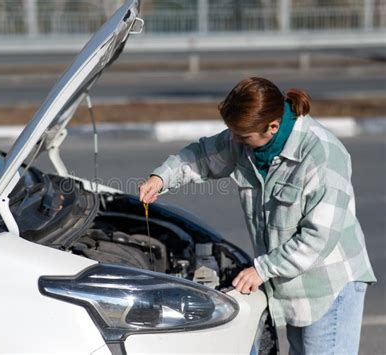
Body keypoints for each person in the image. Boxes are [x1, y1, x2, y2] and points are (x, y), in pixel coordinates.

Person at [138, 77, 376, 354]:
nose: (235, 141)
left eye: (242, 136)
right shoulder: (248, 139)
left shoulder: (323, 156)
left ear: (272, 127)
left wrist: (261, 270)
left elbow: (318, 238)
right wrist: (161, 178)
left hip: (328, 286)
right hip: (288, 279)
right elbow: (203, 156)